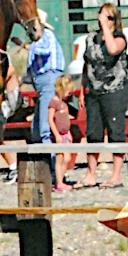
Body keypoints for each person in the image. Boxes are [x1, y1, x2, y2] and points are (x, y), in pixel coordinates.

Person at [82, 2, 128, 189]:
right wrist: (83, 88)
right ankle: (90, 174)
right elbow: (87, 63)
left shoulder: (119, 38)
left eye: (108, 17)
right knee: (93, 132)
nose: (102, 20)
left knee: (115, 131)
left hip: (115, 89)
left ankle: (116, 175)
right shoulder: (91, 38)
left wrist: (106, 29)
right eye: (101, 15)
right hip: (94, 90)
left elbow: (112, 49)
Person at [25, 17, 66, 175]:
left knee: (45, 128)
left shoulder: (46, 36)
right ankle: (43, 167)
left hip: (48, 80)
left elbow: (44, 50)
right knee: (36, 129)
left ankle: (53, 169)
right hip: (42, 83)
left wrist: (30, 46)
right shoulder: (39, 41)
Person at [49, 75, 78, 191]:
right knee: (60, 158)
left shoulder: (64, 104)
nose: (68, 94)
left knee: (67, 158)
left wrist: (68, 132)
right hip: (59, 135)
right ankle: (59, 183)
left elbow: (66, 119)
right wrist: (56, 135)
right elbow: (50, 119)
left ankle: (61, 179)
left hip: (65, 134)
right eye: (67, 92)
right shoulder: (53, 103)